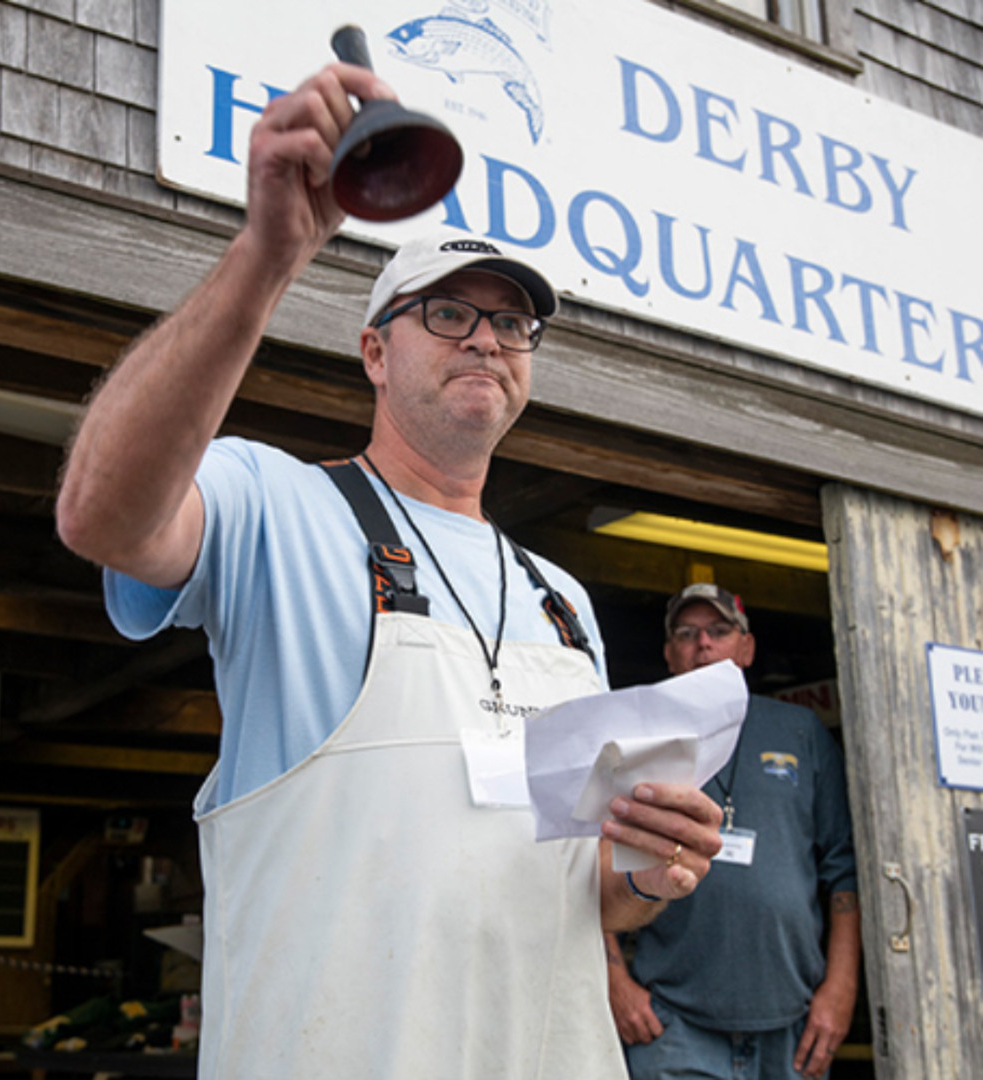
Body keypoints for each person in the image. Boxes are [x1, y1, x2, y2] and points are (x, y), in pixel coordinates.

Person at [55, 59, 725, 1080]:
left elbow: (580, 885)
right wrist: (266, 255)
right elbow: (101, 512)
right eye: (449, 314)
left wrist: (653, 866)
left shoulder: (562, 601)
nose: (487, 340)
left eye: (511, 323)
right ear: (374, 351)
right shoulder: (277, 507)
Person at [606, 583, 861, 1080]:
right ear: (668, 654)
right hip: (672, 1023)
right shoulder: (640, 738)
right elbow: (594, 859)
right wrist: (613, 980)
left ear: (745, 648)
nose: (703, 643)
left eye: (719, 631)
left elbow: (844, 868)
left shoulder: (800, 732)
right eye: (686, 633)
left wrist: (842, 986)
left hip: (794, 1024)